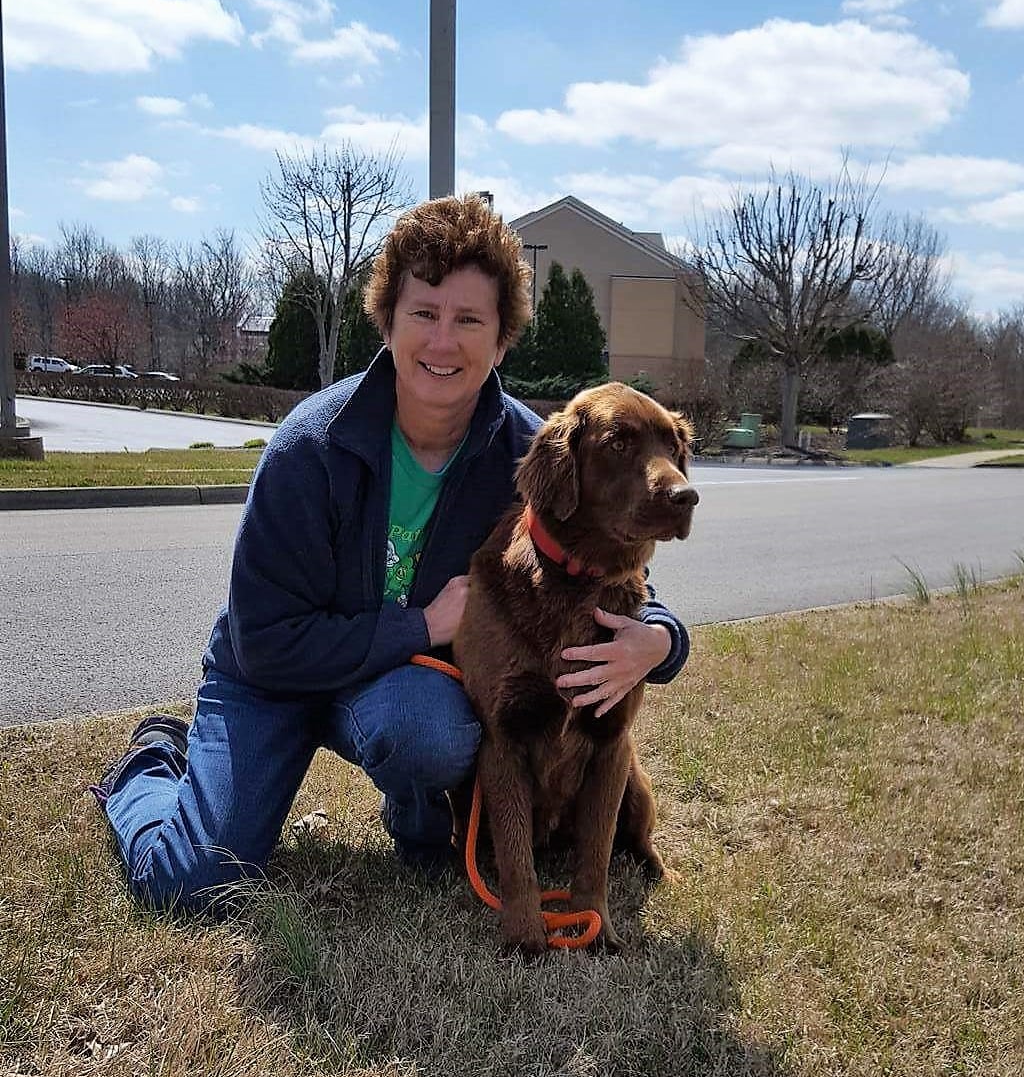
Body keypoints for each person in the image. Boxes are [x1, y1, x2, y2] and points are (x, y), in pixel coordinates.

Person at [90, 195, 691, 910]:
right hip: (270, 678)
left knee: (429, 729)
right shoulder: (308, 448)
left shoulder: (527, 455)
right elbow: (264, 645)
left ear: (501, 339)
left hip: (387, 683)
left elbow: (611, 568)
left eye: (469, 320)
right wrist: (422, 625)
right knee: (187, 883)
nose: (443, 342)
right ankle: (151, 763)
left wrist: (661, 640)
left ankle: (416, 820)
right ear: (388, 322)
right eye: (424, 314)